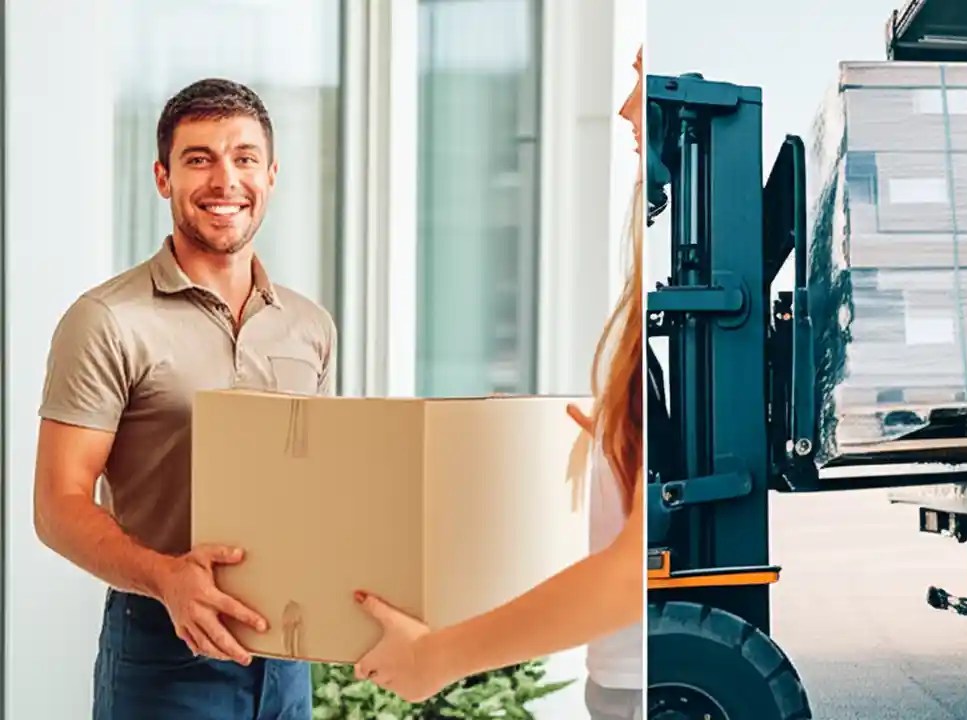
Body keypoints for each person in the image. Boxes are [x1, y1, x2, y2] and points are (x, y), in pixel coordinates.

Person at [349, 48, 647, 719]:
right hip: (622, 680)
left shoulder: (660, 310)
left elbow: (630, 575)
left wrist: (436, 657)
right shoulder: (650, 307)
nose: (627, 106)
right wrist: (604, 440)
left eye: (638, 74)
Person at [33, 78, 335, 719]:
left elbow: (320, 487)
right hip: (161, 650)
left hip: (289, 657)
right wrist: (166, 578)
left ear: (272, 174)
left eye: (244, 158)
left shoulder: (309, 325)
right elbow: (57, 505)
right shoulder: (107, 320)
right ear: (163, 177)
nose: (225, 181)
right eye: (199, 158)